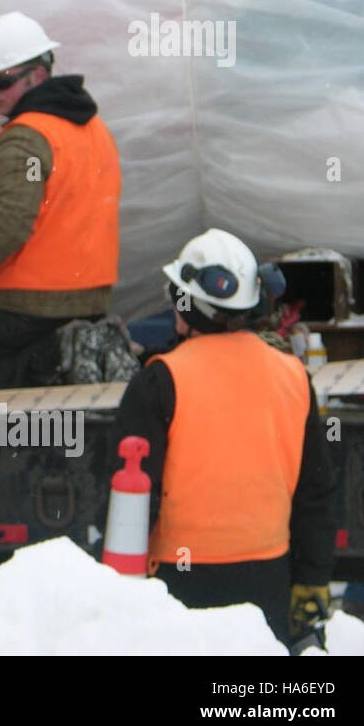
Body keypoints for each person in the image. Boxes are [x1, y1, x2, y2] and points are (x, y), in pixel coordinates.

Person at [110, 229, 336, 647]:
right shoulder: (292, 376)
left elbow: (131, 495)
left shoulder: (160, 380)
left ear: (185, 304)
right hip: (268, 578)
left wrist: (118, 584)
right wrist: (311, 579)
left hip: (180, 582)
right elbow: (315, 490)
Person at [0, 11, 122, 390]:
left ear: (39, 74)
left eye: (4, 80)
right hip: (92, 305)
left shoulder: (26, 140)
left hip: (25, 310)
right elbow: (62, 196)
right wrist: (5, 202)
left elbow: (12, 225)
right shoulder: (92, 130)